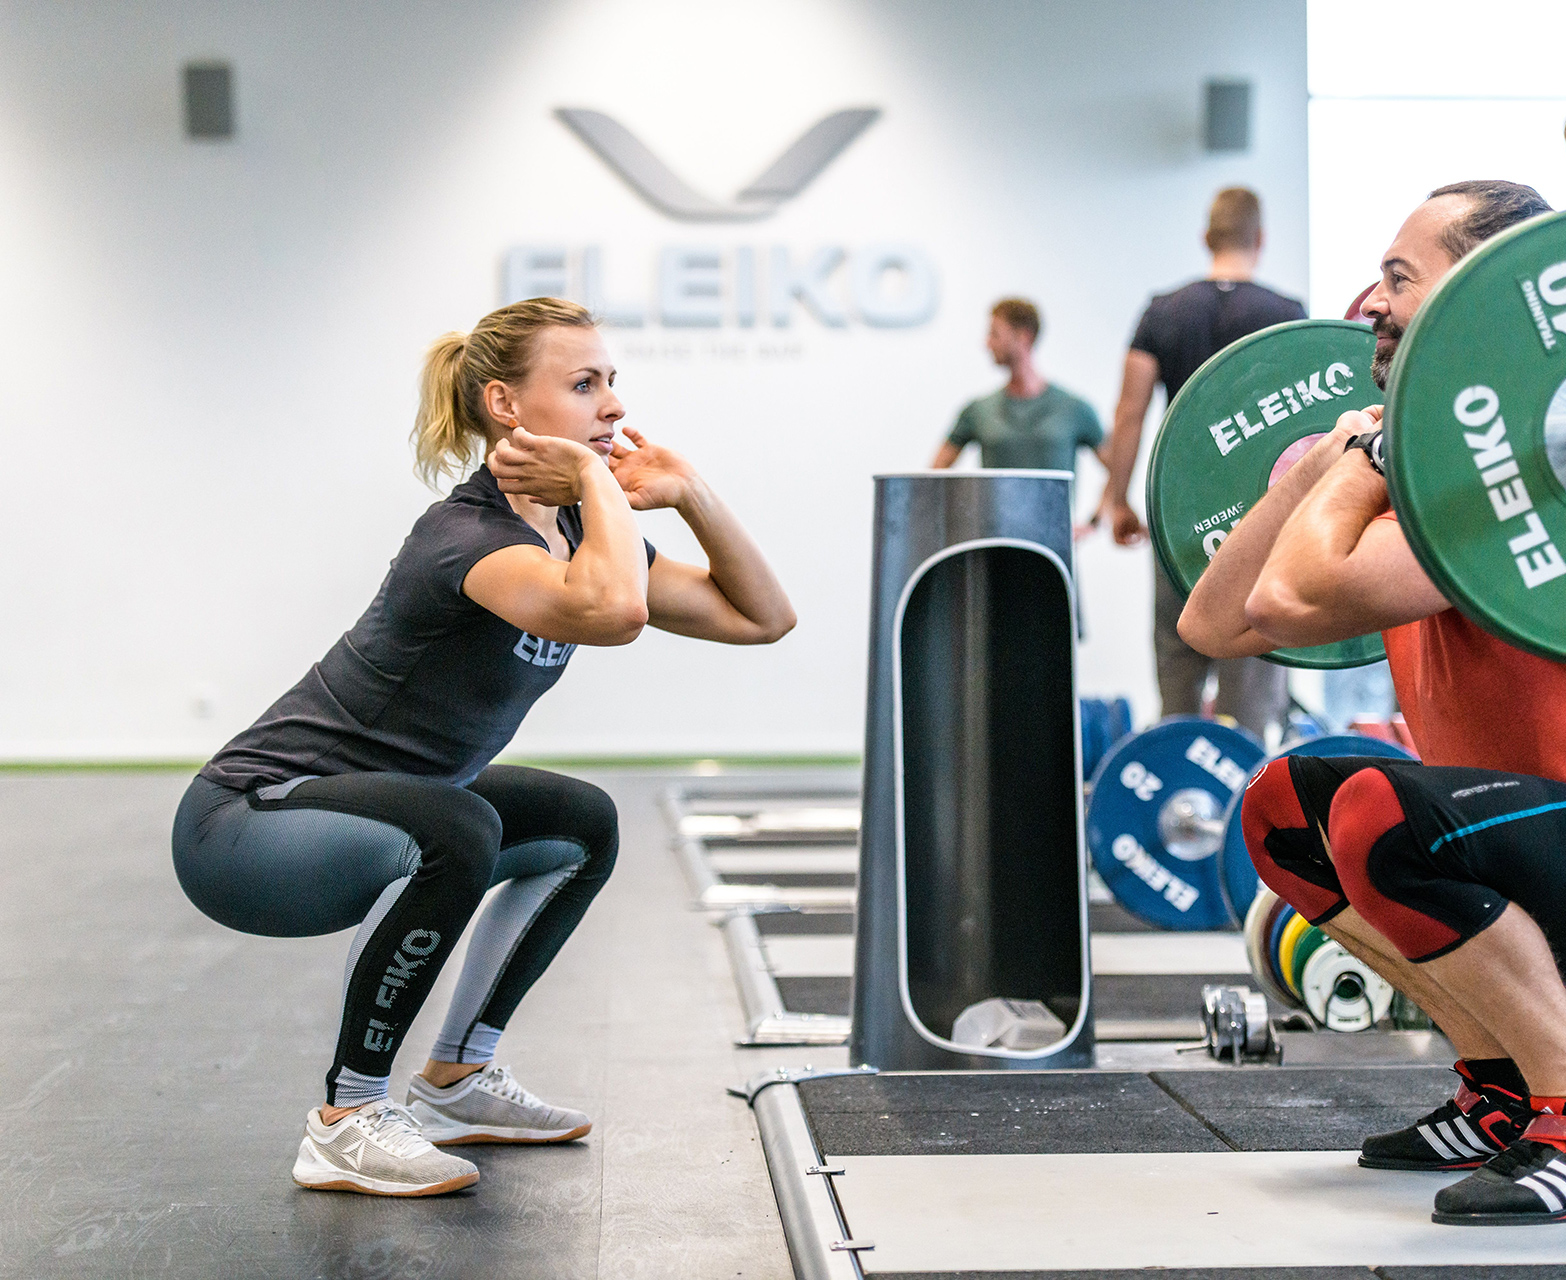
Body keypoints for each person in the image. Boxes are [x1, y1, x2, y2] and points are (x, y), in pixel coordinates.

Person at [1178, 181, 1566, 1225]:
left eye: (1402, 279)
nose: (1371, 300)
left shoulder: (1528, 481)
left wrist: (1360, 459)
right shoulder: (1425, 472)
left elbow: (1290, 593)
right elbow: (1215, 625)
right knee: (1285, 806)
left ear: (1479, 302)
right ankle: (1506, 1089)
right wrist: (1314, 471)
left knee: (1377, 808)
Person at [171, 297, 796, 1197]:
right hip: (247, 825)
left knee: (580, 823)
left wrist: (690, 491)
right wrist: (592, 476)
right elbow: (614, 612)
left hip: (384, 810)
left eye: (612, 382)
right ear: (506, 405)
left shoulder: (584, 534)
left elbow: (763, 617)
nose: (613, 405)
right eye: (584, 385)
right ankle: (347, 1119)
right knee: (457, 827)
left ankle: (459, 1079)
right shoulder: (463, 538)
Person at [1096, 187, 1305, 743]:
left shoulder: (1162, 311)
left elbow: (1128, 413)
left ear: (1205, 239)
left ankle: (1180, 793)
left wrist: (1116, 500)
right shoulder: (1285, 315)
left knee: (1178, 669)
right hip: (1262, 514)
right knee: (1254, 670)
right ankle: (1244, 807)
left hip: (1177, 512)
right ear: (1260, 240)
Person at [931, 297, 1106, 482]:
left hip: (1055, 512)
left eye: (995, 334)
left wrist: (1106, 505)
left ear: (1024, 336)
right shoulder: (978, 410)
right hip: (994, 512)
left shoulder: (1074, 409)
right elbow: (934, 474)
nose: (987, 343)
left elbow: (1119, 468)